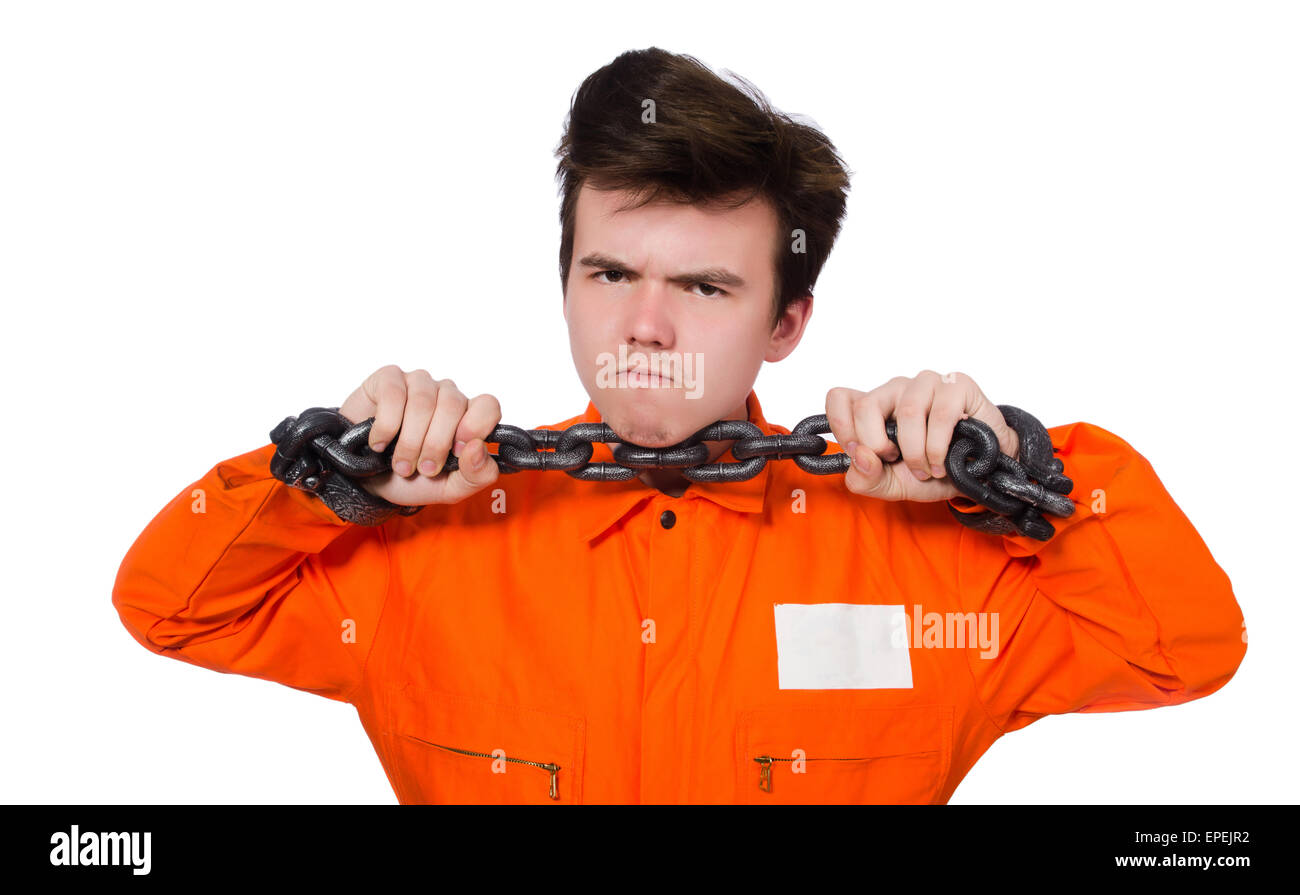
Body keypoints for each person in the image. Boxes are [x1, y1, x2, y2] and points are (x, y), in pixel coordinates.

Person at [112, 47, 1247, 804]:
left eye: (705, 287)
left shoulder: (943, 569)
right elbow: (169, 607)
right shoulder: (414, 547)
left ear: (785, 322)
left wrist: (1022, 474)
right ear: (564, 282)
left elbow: (1185, 651)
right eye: (610, 272)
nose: (644, 325)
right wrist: (322, 479)